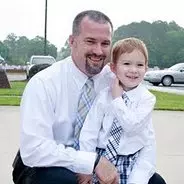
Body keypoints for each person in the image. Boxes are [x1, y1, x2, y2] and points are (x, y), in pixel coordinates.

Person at [12, 10, 166, 184]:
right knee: (66, 181)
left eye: (105, 43)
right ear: (72, 41)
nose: (98, 51)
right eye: (90, 41)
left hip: (105, 159)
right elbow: (34, 150)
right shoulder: (44, 83)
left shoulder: (116, 79)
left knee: (155, 182)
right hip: (46, 164)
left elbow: (144, 134)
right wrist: (90, 162)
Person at [79, 38, 166, 184]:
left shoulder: (146, 99)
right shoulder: (104, 96)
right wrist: (86, 166)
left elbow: (131, 126)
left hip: (130, 162)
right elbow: (89, 131)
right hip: (101, 160)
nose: (133, 70)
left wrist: (117, 99)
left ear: (146, 68)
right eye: (126, 64)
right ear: (113, 68)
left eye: (139, 65)